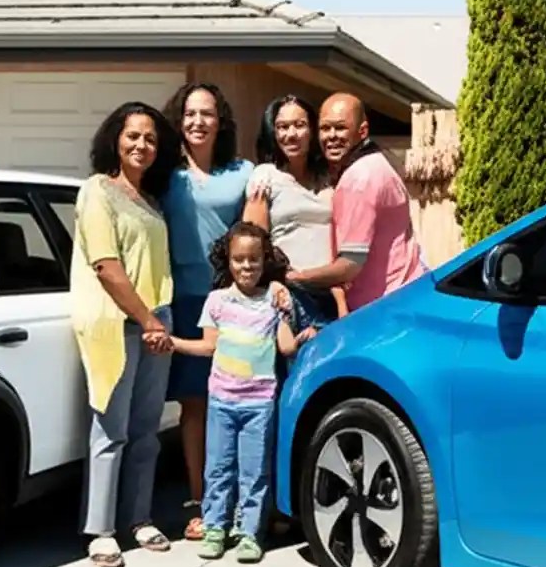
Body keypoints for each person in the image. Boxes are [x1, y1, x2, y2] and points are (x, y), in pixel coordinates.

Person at [71, 100, 182, 567]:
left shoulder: (151, 202)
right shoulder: (98, 191)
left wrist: (159, 321)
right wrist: (148, 320)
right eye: (134, 135)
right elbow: (107, 267)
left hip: (157, 322)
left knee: (146, 431)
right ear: (115, 138)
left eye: (151, 138)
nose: (142, 144)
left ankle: (139, 518)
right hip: (117, 325)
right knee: (110, 431)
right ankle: (100, 529)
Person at [168, 222, 304, 563]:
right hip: (222, 401)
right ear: (227, 261)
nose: (246, 266)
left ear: (265, 260)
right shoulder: (216, 301)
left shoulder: (274, 300)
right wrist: (173, 343)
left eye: (254, 260)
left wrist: (304, 336)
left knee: (255, 470)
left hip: (259, 403)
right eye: (239, 259)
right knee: (218, 467)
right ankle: (215, 528)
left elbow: (285, 347)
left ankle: (249, 532)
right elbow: (208, 346)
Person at [160, 82, 255, 540]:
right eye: (190, 113)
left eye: (208, 113)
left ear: (222, 121)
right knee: (195, 406)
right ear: (180, 120)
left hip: (231, 301)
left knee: (236, 402)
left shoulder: (243, 172)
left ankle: (242, 501)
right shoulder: (165, 175)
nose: (198, 121)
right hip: (183, 301)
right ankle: (201, 501)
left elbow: (256, 234)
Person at [287, 92, 426, 310]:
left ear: (362, 131)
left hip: (382, 307)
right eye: (325, 128)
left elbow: (350, 265)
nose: (331, 136)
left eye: (340, 127)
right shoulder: (379, 163)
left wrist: (297, 278)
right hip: (407, 294)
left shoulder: (359, 178)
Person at [243, 95, 348, 330]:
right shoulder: (266, 176)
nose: (290, 134)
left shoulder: (330, 177)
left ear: (312, 130)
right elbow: (252, 241)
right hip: (290, 293)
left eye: (299, 125)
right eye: (282, 127)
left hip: (334, 293)